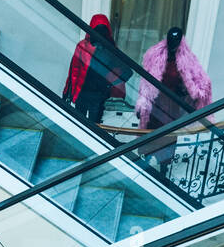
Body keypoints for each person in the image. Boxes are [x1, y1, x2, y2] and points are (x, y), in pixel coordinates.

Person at [136, 27, 212, 169]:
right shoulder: (155, 55)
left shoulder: (187, 59)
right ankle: (147, 159)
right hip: (156, 102)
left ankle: (164, 166)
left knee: (169, 135)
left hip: (172, 104)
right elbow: (145, 82)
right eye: (171, 39)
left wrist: (195, 91)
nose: (173, 43)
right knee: (151, 131)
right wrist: (142, 102)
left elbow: (202, 80)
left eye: (176, 40)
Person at [63, 14, 130, 125]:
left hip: (99, 96)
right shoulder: (83, 46)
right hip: (83, 93)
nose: (100, 33)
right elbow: (74, 71)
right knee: (80, 124)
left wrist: (114, 90)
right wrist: (67, 93)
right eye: (97, 30)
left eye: (103, 30)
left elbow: (124, 72)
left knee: (95, 126)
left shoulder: (111, 49)